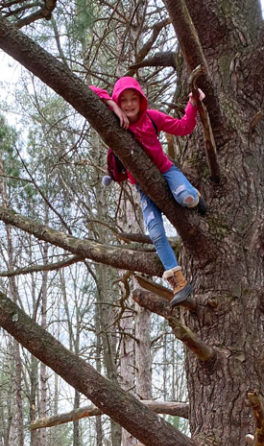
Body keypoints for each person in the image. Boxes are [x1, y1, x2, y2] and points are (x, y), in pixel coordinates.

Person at [91, 76, 206, 307]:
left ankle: (196, 197)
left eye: (134, 99)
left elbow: (183, 127)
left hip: (166, 170)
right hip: (142, 188)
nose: (129, 105)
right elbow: (89, 90)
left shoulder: (151, 117)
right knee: (155, 233)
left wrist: (193, 104)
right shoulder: (115, 123)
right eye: (124, 100)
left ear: (141, 100)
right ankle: (180, 284)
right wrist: (112, 106)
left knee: (186, 198)